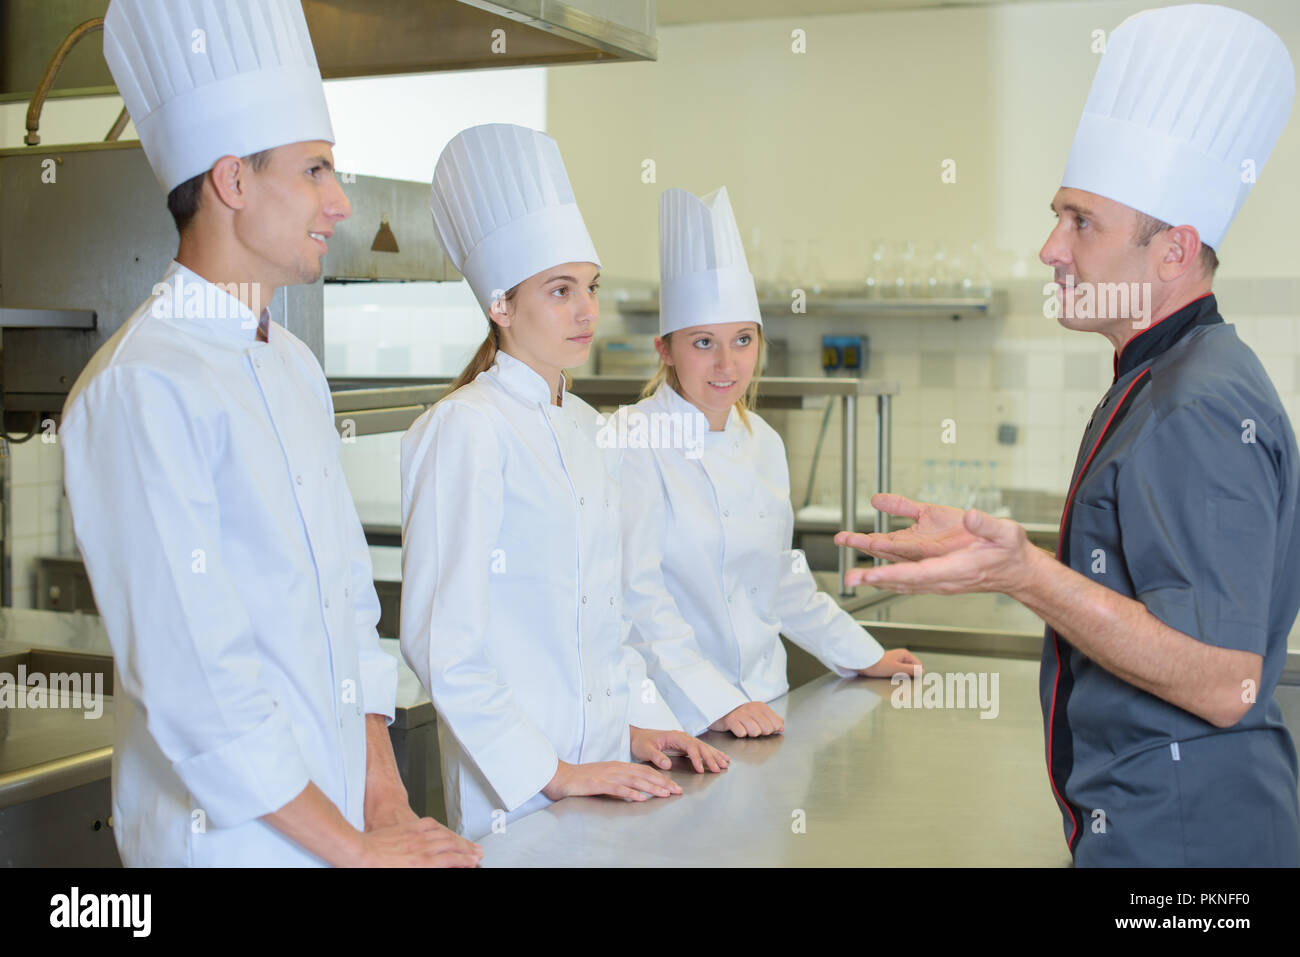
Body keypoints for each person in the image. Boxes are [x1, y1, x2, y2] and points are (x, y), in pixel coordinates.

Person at [837, 4, 1299, 866]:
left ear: (1174, 252)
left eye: (1081, 221)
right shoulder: (1159, 376)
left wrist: (1025, 574)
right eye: (1059, 215)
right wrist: (1008, 560)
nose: (1051, 248)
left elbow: (1228, 683)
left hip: (1190, 847)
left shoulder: (1194, 403)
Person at [60, 0, 479, 867]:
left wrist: (385, 801)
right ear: (232, 182)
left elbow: (347, 611)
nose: (340, 200)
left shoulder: (291, 365)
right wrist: (358, 851)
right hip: (229, 847)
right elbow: (196, 683)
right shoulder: (141, 387)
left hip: (338, 833)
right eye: (317, 171)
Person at [400, 124, 729, 841]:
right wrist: (554, 771)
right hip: (516, 797)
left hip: (605, 778)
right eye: (559, 290)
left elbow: (601, 623)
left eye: (590, 287)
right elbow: (442, 644)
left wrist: (638, 726)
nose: (586, 310)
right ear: (500, 305)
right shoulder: (466, 428)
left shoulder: (585, 426)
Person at [619, 185, 921, 739]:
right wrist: (714, 703)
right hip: (676, 719)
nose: (727, 364)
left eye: (742, 340)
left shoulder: (763, 441)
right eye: (703, 342)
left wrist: (861, 654)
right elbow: (638, 600)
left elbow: (781, 578)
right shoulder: (630, 442)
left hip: (765, 706)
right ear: (665, 348)